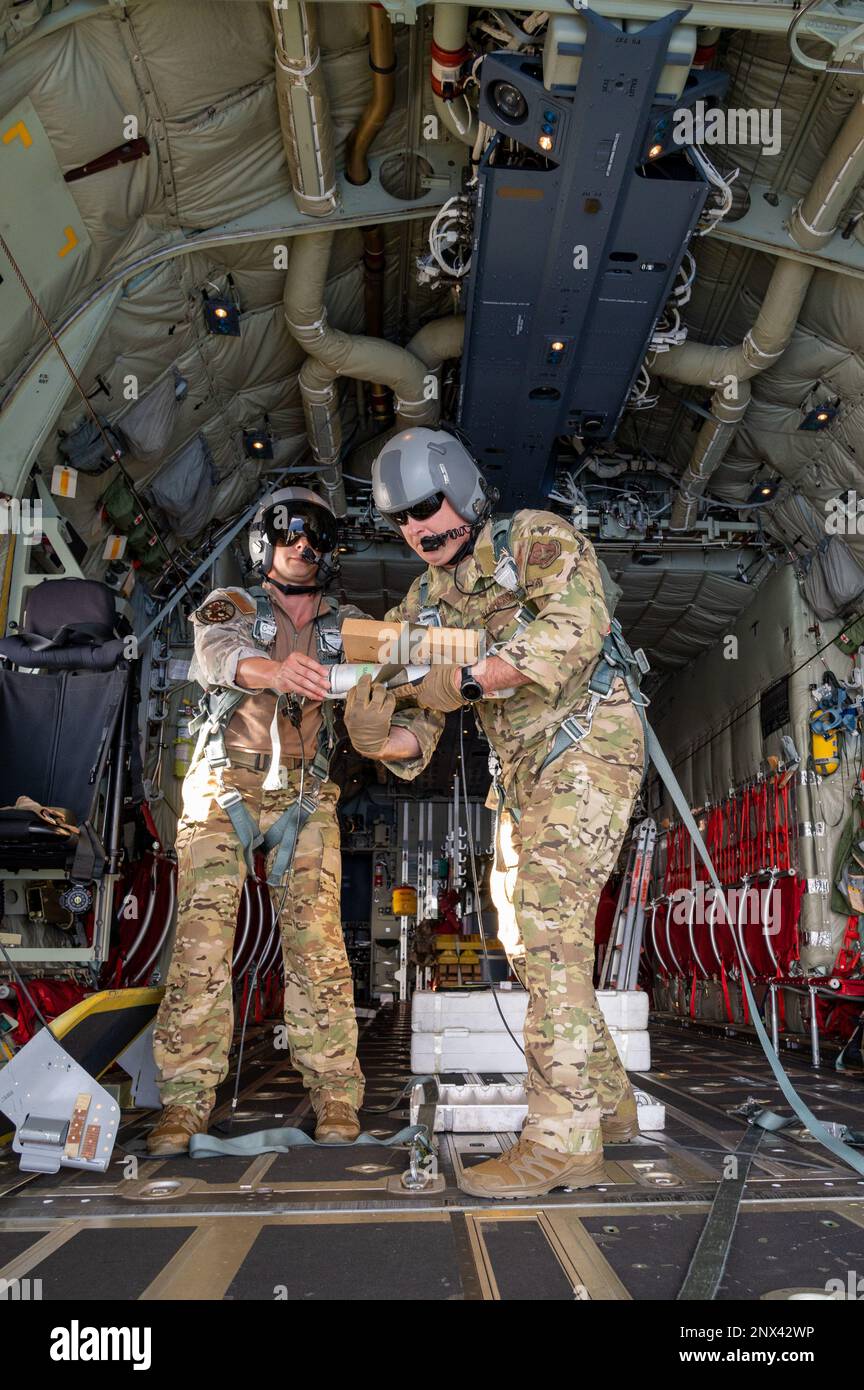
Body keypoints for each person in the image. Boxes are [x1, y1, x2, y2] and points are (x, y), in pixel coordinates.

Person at [343, 427, 645, 1199]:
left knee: (547, 929)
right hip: (519, 777)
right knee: (527, 938)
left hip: (588, 744)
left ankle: (563, 1139)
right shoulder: (420, 606)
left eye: (426, 506)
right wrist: (380, 737)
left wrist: (469, 678)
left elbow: (574, 631)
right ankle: (608, 1106)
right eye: (402, 519)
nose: (418, 527)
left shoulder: (535, 540)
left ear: (464, 490)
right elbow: (422, 735)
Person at [148, 488, 364, 1155]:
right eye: (291, 535)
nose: (304, 547)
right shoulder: (235, 604)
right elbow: (214, 654)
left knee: (318, 943)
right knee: (203, 938)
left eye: (317, 538)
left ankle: (334, 1093)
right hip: (226, 783)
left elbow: (394, 667)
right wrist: (276, 671)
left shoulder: (346, 621)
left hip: (305, 792)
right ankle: (184, 1102)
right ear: (265, 544)